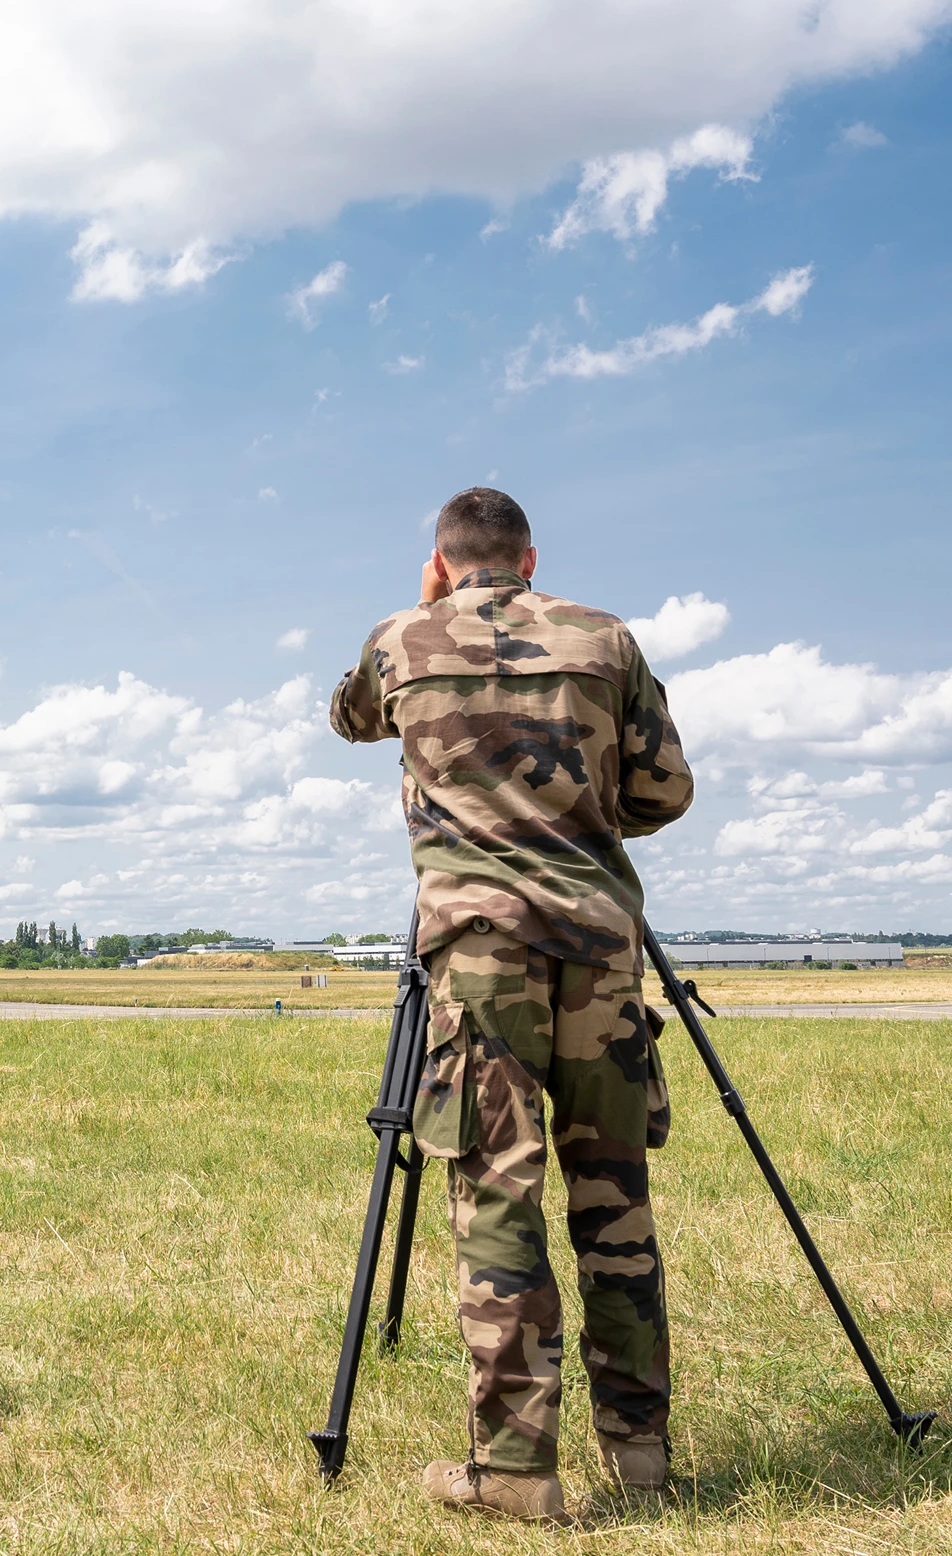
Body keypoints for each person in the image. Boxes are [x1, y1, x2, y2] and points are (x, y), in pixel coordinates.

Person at [330, 488, 693, 1525]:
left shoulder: (400, 638)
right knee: (612, 1197)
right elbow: (666, 792)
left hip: (478, 955)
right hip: (599, 947)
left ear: (441, 562)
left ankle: (516, 1465)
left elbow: (352, 718)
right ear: (530, 557)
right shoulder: (605, 638)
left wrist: (420, 617)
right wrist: (573, 799)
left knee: (497, 1192)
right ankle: (638, 1454)